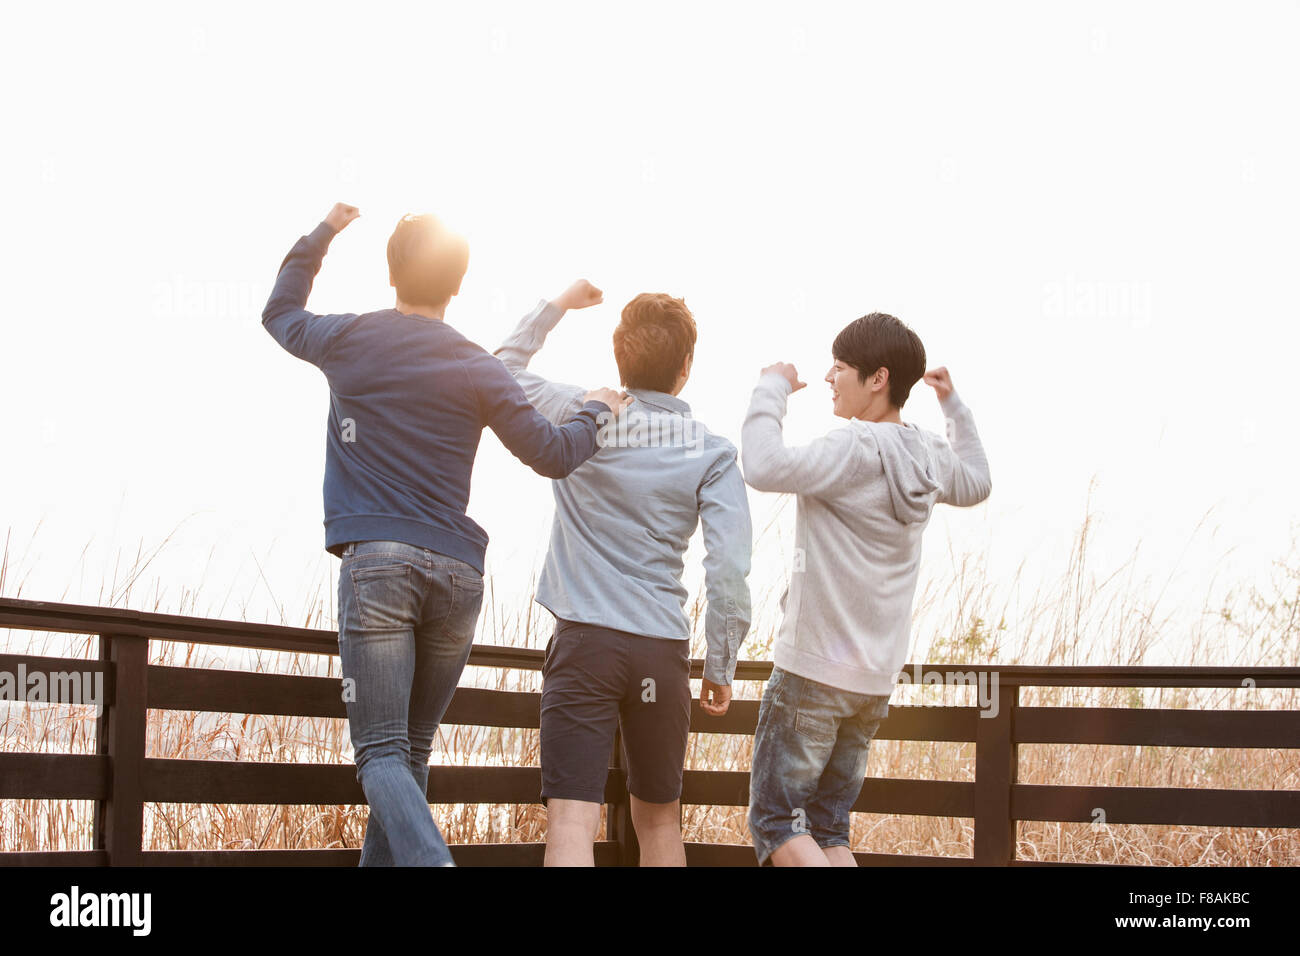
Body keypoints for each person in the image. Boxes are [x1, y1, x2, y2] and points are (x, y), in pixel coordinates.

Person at [261, 203, 630, 866]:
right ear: (456, 285)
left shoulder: (349, 339)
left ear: (391, 274)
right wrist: (597, 411)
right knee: (410, 751)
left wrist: (324, 233)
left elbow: (279, 312)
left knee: (379, 753)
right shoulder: (477, 366)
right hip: (459, 575)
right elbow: (551, 451)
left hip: (378, 563)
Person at [493, 281, 752, 866]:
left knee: (571, 820)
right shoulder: (711, 451)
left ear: (620, 354)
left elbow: (499, 371)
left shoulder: (582, 410)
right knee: (660, 823)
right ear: (686, 367)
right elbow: (730, 565)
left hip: (585, 643)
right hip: (661, 649)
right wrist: (721, 662)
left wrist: (555, 305)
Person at [741, 311, 992, 866]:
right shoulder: (927, 456)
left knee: (777, 823)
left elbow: (760, 465)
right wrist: (953, 406)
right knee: (829, 831)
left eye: (840, 367)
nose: (830, 378)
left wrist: (770, 388)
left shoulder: (852, 446)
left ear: (877, 379)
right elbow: (978, 482)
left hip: (812, 671)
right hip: (873, 681)